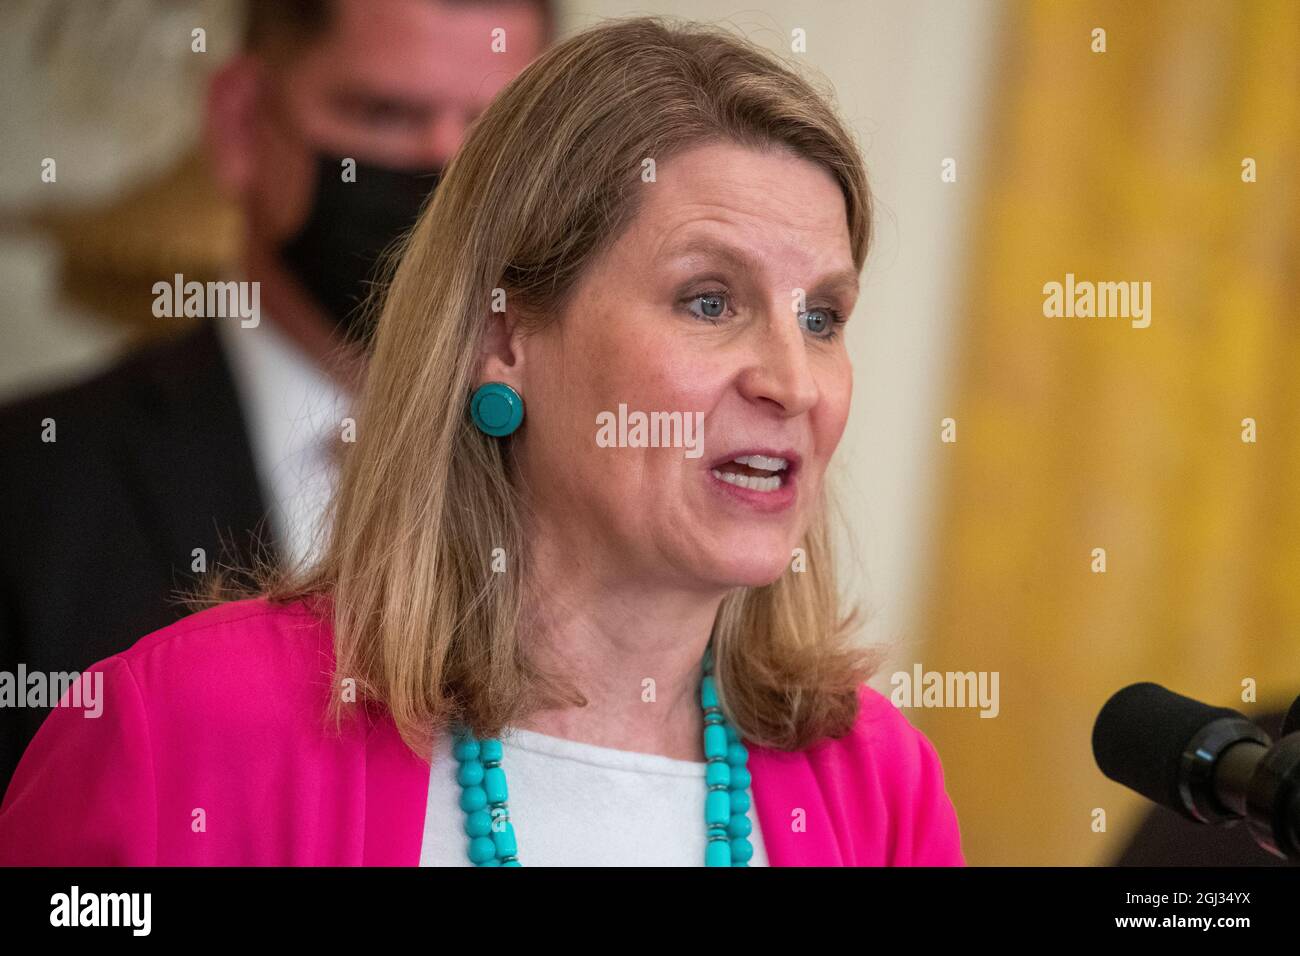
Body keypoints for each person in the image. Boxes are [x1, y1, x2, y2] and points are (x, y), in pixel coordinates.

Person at [0, 16, 965, 867]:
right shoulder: (182, 731)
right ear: (503, 337)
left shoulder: (880, 788)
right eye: (709, 301)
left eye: (824, 317)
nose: (791, 381)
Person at [0, 0, 551, 792]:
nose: (446, 166)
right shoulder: (34, 487)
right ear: (240, 122)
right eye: (386, 114)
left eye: (495, 130)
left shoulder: (596, 472)